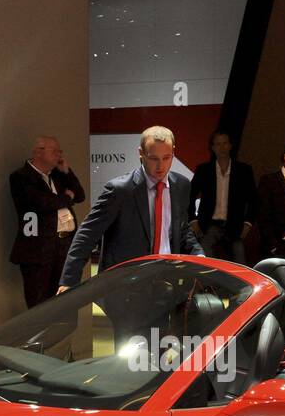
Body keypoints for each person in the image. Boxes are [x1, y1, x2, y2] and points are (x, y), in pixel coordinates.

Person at [57, 125, 204, 292]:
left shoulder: (181, 186)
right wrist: (69, 280)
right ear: (141, 153)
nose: (160, 166)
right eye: (153, 158)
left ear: (174, 152)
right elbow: (88, 234)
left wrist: (199, 255)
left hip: (167, 280)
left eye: (166, 157)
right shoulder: (120, 190)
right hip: (124, 287)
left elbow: (182, 229)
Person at [8, 135, 85, 307]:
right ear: (38, 152)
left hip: (63, 246)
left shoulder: (56, 176)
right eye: (55, 151)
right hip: (38, 249)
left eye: (60, 151)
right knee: (39, 301)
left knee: (63, 300)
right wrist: (66, 196)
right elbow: (43, 203)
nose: (59, 155)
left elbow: (80, 195)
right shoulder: (22, 177)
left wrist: (66, 171)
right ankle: (39, 334)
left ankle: (59, 332)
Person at [188, 130, 256, 264]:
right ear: (212, 147)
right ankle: (211, 285)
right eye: (218, 144)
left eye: (225, 143)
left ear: (230, 145)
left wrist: (247, 224)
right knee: (204, 259)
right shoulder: (204, 170)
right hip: (209, 226)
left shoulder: (244, 170)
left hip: (234, 226)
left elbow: (254, 200)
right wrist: (193, 221)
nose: (222, 147)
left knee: (240, 261)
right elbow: (189, 197)